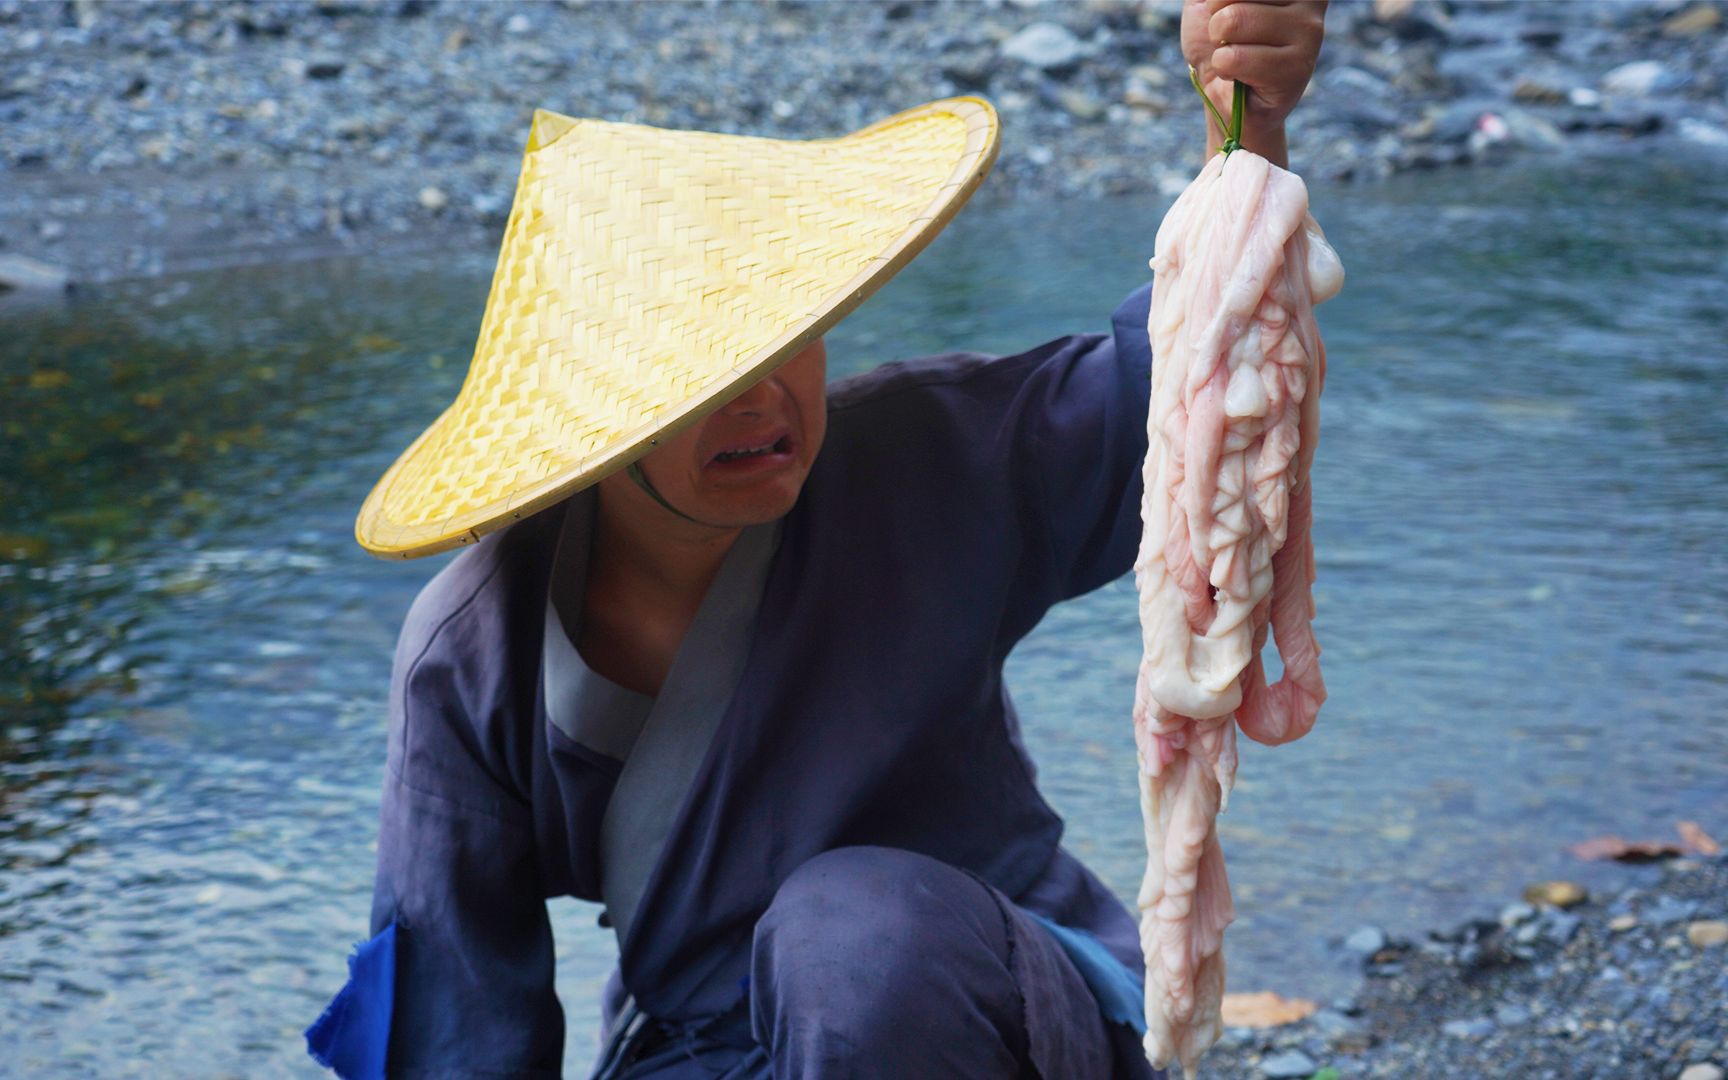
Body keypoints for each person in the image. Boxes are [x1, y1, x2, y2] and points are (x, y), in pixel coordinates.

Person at [308, 3, 1327, 1077]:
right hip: (710, 1049)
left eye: (786, 337)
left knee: (851, 941)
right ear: (593, 426)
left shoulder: (929, 456)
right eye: (698, 376)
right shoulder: (474, 656)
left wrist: (1245, 135)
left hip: (1001, 1011)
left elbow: (1200, 399)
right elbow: (453, 1018)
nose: (764, 399)